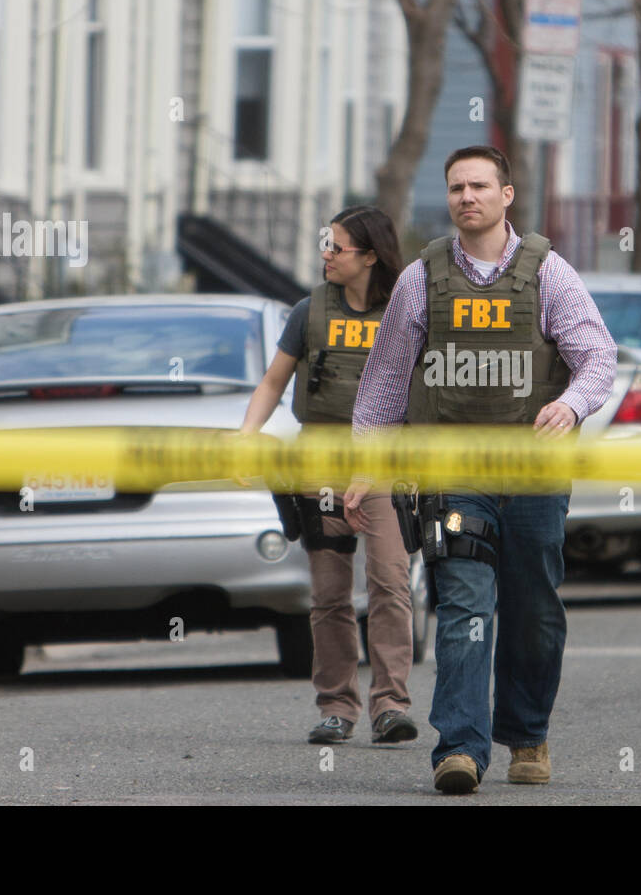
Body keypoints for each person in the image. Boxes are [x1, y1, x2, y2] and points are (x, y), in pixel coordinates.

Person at [344, 146, 617, 794]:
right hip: (454, 474)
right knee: (464, 601)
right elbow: (385, 379)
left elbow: (597, 358)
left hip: (533, 475)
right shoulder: (422, 278)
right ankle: (459, 748)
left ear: (506, 195)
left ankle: (527, 735)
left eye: (479, 186)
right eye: (456, 187)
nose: (467, 196)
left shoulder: (548, 273)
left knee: (533, 608)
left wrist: (570, 404)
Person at [239, 205, 418, 746]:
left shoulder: (407, 312)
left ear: (368, 255)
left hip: (385, 460)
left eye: (336, 247)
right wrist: (248, 435)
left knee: (390, 581)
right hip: (321, 459)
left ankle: (391, 705)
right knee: (329, 593)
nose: (326, 255)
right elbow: (273, 382)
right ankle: (337, 706)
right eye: (325, 244)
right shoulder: (309, 310)